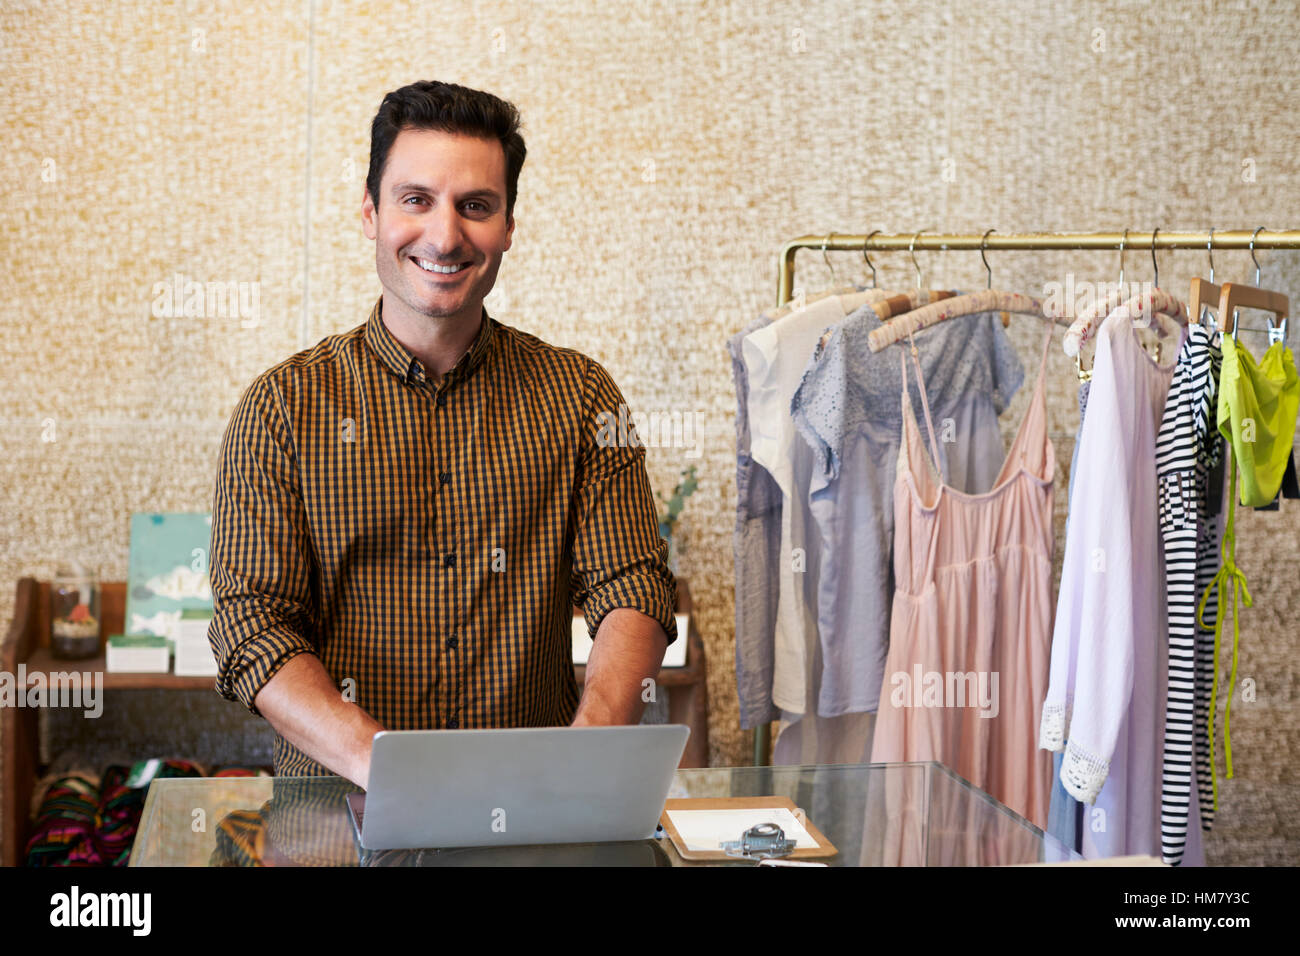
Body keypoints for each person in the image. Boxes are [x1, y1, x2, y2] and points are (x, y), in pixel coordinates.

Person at [208, 80, 677, 788]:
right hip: (340, 817)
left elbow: (633, 584)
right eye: (416, 199)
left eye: (476, 207)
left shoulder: (581, 397)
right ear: (370, 213)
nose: (444, 235)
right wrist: (393, 770)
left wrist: (589, 749)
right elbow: (253, 623)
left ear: (509, 226)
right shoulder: (282, 408)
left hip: (532, 809)